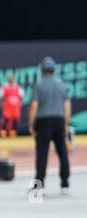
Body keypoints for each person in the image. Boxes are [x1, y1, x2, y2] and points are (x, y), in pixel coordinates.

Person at [28, 57, 71, 195]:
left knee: (41, 154)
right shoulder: (61, 85)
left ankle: (39, 187)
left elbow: (34, 105)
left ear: (42, 70)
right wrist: (66, 124)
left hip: (44, 121)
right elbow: (67, 105)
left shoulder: (39, 85)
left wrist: (31, 123)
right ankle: (65, 185)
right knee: (62, 153)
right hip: (59, 119)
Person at [0, 73, 24, 138]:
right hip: (7, 108)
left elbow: (22, 97)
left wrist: (20, 103)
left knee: (15, 122)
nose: (11, 79)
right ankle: (3, 136)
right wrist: (1, 103)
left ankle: (12, 136)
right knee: (5, 121)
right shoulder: (5, 87)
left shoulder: (18, 87)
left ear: (14, 79)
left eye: (12, 78)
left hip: (15, 109)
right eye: (10, 78)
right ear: (8, 79)